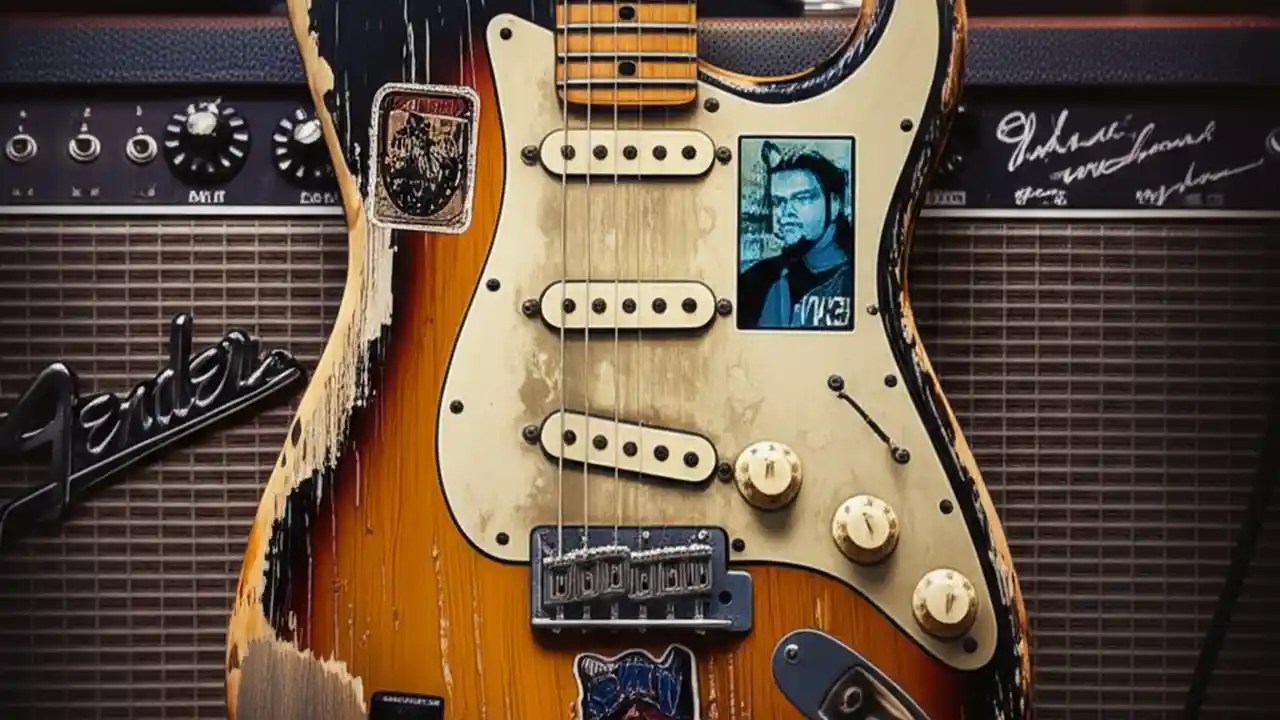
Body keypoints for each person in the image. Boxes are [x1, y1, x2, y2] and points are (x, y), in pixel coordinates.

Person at [738, 141, 855, 330]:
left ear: (834, 205)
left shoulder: (863, 279)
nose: (785, 212)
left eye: (802, 199)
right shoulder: (757, 281)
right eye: (778, 202)